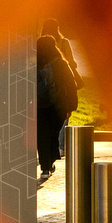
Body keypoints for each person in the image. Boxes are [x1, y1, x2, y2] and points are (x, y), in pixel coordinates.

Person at [35, 36, 79, 180]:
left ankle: (45, 167)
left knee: (42, 135)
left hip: (39, 106)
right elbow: (71, 85)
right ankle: (50, 161)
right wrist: (71, 106)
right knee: (53, 135)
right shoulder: (60, 63)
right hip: (58, 107)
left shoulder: (34, 63)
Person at [43, 19, 84, 155]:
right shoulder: (63, 42)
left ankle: (48, 146)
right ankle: (61, 147)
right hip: (62, 83)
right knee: (64, 114)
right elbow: (71, 62)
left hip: (46, 84)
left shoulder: (41, 43)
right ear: (57, 28)